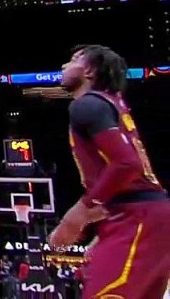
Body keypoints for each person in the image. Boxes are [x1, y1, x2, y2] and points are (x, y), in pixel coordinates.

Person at [49, 45, 170, 299]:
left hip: (138, 217)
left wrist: (80, 213)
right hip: (141, 216)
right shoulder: (110, 104)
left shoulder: (86, 105)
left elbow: (127, 165)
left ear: (89, 70)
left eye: (73, 60)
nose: (64, 66)